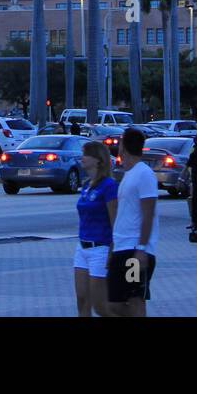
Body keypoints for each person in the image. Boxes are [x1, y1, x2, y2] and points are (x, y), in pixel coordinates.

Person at [107, 128, 157, 317]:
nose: (118, 147)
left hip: (134, 250)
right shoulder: (129, 173)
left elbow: (148, 213)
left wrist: (141, 248)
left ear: (124, 147)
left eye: (120, 143)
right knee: (113, 303)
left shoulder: (144, 174)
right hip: (121, 248)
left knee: (135, 298)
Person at [74, 141, 118, 317]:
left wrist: (112, 252)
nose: (82, 158)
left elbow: (115, 221)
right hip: (82, 248)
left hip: (100, 249)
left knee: (100, 306)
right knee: (82, 300)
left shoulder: (109, 186)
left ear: (98, 160)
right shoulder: (86, 186)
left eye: (86, 154)